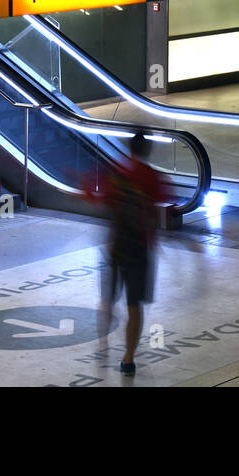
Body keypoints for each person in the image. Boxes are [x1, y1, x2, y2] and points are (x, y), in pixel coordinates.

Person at [83, 132, 164, 375]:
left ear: (129, 149)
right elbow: (159, 209)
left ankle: (103, 343)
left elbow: (99, 200)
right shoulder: (153, 178)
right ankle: (128, 359)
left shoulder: (119, 174)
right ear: (148, 149)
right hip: (140, 248)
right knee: (134, 304)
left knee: (107, 298)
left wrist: (85, 185)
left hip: (115, 245)